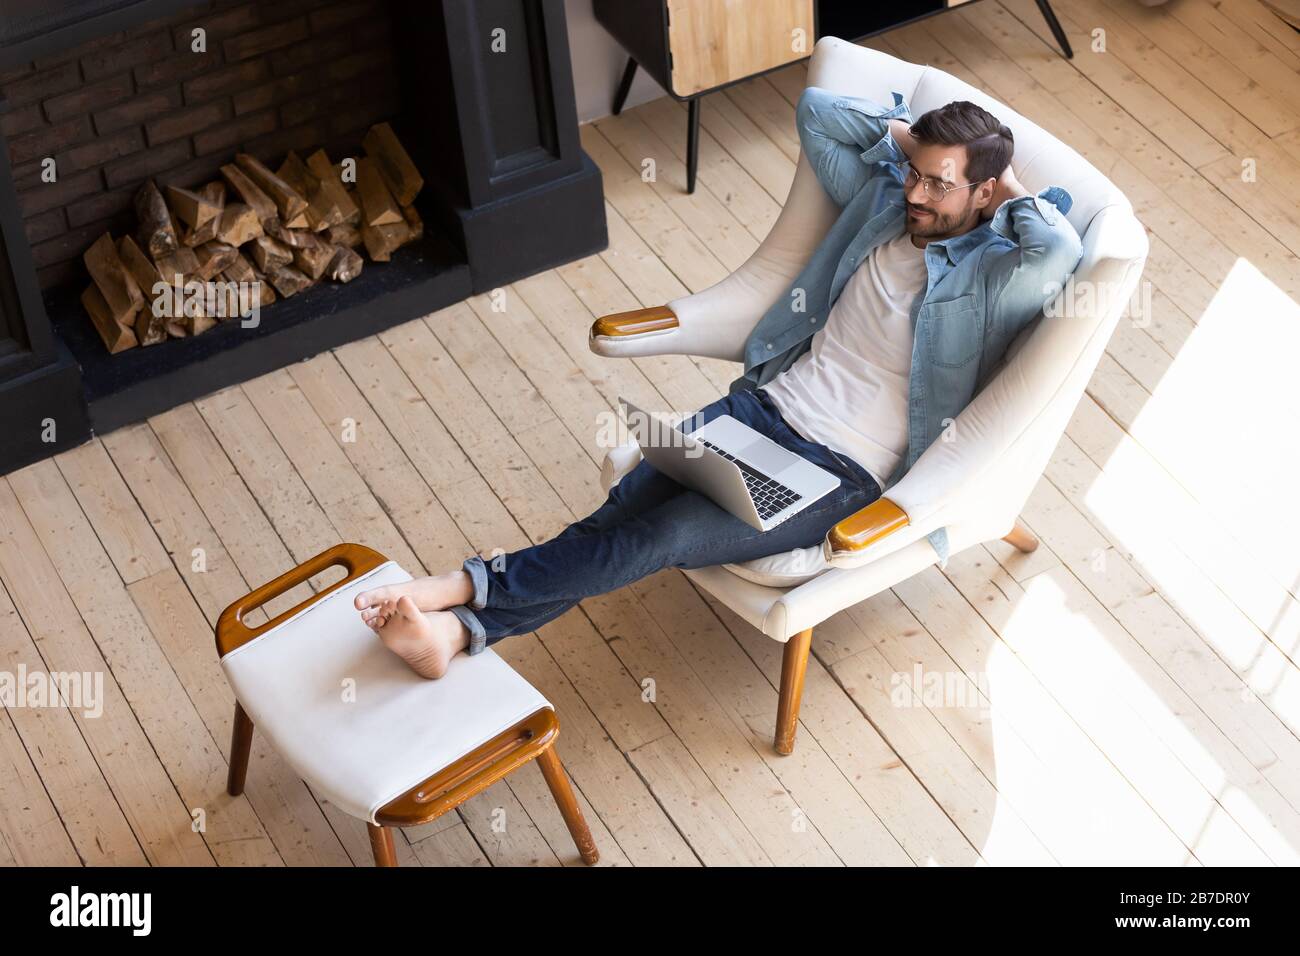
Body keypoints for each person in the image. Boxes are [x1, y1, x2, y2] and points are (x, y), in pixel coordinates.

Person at [356, 86, 1084, 678]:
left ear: (985, 192)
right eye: (915, 171)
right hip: (765, 407)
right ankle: (457, 637)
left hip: (841, 471)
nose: (918, 191)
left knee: (659, 536)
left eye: (940, 183)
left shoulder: (994, 270)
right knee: (617, 516)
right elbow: (819, 114)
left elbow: (1057, 252)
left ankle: (459, 588)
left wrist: (1007, 187)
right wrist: (910, 142)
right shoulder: (884, 205)